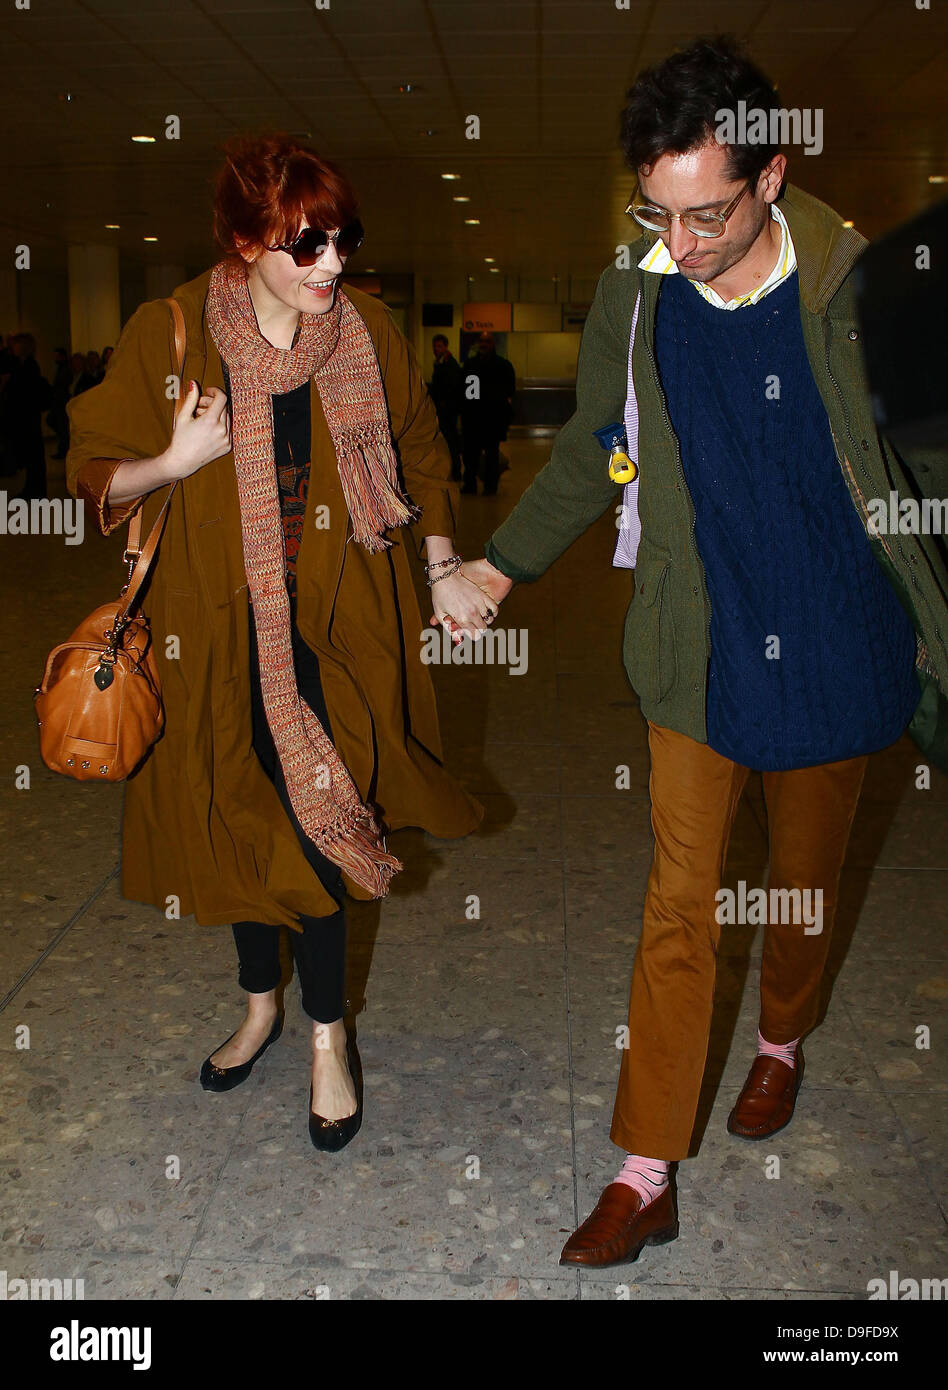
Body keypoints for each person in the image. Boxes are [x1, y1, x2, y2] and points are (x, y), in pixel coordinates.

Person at [459, 35, 948, 1265]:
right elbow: (593, 452)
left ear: (773, 177)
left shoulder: (862, 289)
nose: (680, 242)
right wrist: (495, 566)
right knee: (678, 905)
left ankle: (783, 1037)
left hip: (842, 640)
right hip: (701, 638)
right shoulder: (641, 293)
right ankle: (644, 1167)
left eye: (708, 214)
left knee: (800, 886)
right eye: (657, 212)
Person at [66, 131, 494, 1152]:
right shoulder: (169, 332)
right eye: (307, 246)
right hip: (215, 631)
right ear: (247, 240)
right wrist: (172, 458)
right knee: (238, 811)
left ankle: (325, 1036)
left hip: (343, 628)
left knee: (324, 817)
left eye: (341, 241)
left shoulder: (371, 334)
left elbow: (423, 455)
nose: (332, 266)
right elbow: (93, 476)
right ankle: (260, 1002)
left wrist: (440, 568)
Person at [459, 331, 515, 495]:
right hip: (474, 418)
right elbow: (467, 392)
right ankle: (471, 484)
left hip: (493, 419)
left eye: (487, 341)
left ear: (493, 344)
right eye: (482, 341)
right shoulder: (470, 365)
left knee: (491, 455)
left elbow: (509, 390)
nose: (484, 344)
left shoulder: (503, 366)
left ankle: (490, 486)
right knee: (470, 455)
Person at [3, 332, 49, 499]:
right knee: (32, 458)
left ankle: (35, 492)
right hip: (27, 418)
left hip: (28, 418)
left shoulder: (28, 366)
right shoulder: (23, 365)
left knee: (34, 457)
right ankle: (32, 490)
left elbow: (25, 393)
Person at [428, 334, 462, 480]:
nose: (436, 349)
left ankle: (455, 471)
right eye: (435, 346)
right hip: (445, 409)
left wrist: (442, 402)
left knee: (450, 441)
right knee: (448, 441)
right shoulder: (440, 363)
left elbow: (450, 387)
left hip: (447, 410)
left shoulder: (449, 364)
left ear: (445, 347)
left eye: (439, 346)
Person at [48, 347, 73, 458]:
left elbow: (62, 386)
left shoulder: (65, 370)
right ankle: (62, 449)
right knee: (58, 424)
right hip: (59, 402)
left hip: (62, 402)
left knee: (62, 426)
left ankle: (63, 450)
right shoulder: (61, 369)